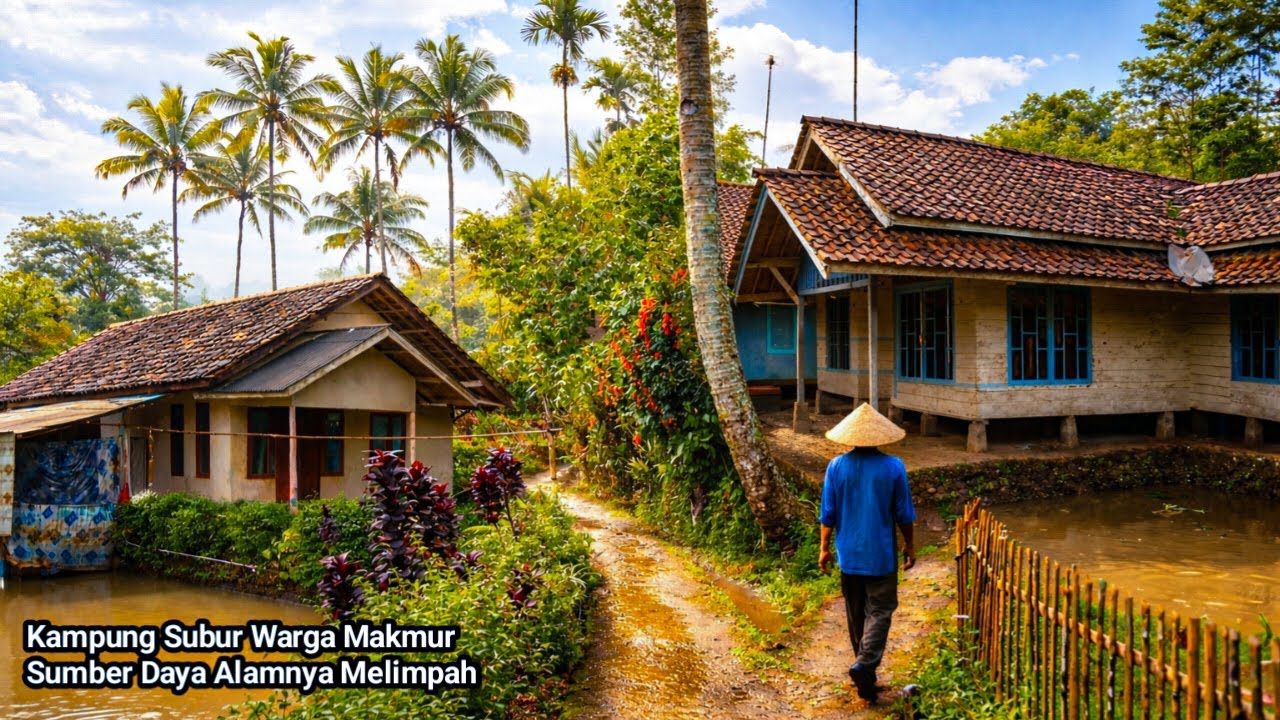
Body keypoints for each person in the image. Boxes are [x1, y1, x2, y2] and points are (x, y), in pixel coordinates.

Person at [818, 402, 916, 703]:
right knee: (881, 610)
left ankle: (865, 677)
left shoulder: (836, 466)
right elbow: (903, 514)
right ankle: (865, 664)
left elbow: (828, 513)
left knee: (856, 612)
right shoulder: (893, 467)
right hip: (881, 555)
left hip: (849, 554)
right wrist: (910, 546)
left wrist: (823, 549)